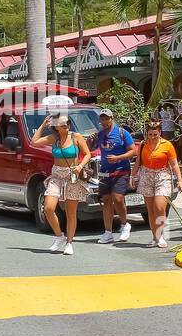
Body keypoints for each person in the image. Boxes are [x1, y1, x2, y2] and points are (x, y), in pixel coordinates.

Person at [31, 113, 91, 255]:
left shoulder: (76, 137)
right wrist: (43, 125)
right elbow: (34, 142)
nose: (67, 126)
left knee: (71, 212)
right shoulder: (54, 138)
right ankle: (59, 236)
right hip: (57, 175)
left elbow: (88, 154)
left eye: (67, 124)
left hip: (73, 175)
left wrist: (80, 166)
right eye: (63, 125)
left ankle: (69, 242)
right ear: (57, 127)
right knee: (48, 208)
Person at [130, 120, 182, 248]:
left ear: (160, 133)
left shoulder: (167, 145)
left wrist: (180, 180)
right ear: (147, 134)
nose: (153, 137)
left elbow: (174, 164)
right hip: (147, 175)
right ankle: (155, 237)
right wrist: (132, 176)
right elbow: (138, 161)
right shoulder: (143, 145)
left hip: (163, 175)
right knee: (151, 209)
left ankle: (161, 235)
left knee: (159, 207)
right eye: (150, 134)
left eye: (155, 134)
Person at [92, 108, 138, 244]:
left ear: (112, 119)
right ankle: (108, 232)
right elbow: (90, 148)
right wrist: (90, 140)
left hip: (121, 170)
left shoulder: (122, 133)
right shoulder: (100, 135)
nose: (105, 121)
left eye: (107, 118)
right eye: (103, 119)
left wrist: (118, 158)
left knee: (117, 198)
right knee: (106, 200)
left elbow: (133, 152)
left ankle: (125, 224)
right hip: (105, 171)